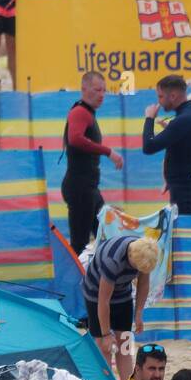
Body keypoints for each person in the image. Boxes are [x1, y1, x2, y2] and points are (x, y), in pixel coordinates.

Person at [82, 234, 160, 380]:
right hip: (95, 294)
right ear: (130, 257)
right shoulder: (113, 260)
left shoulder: (146, 252)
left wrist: (138, 314)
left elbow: (143, 284)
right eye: (137, 268)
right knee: (104, 347)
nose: (138, 271)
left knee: (124, 343)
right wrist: (105, 334)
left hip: (123, 293)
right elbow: (103, 301)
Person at [62, 71, 124, 257]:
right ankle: (75, 285)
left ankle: (104, 280)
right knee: (79, 243)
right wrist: (108, 152)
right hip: (80, 187)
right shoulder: (80, 112)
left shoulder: (88, 113)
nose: (101, 94)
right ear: (83, 89)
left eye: (104, 90)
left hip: (89, 187)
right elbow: (75, 139)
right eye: (97, 90)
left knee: (105, 235)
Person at [141, 74, 191, 214]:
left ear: (172, 96)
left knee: (188, 232)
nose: (159, 102)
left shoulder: (184, 120)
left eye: (160, 97)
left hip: (186, 189)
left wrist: (149, 119)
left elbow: (148, 146)